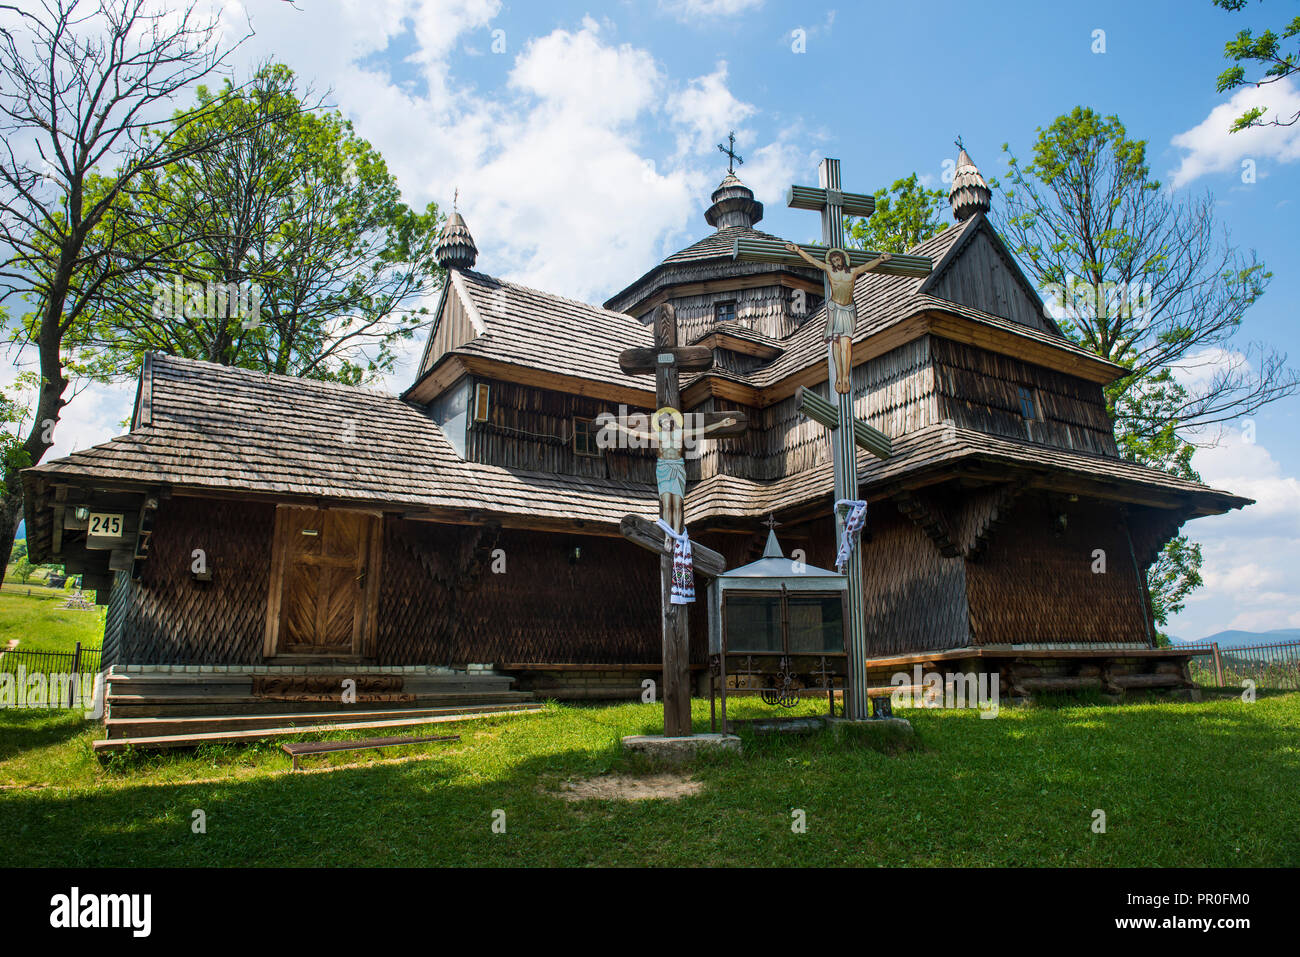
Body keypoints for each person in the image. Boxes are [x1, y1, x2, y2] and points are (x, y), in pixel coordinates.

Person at [785, 243, 891, 394]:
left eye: (838, 259)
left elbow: (867, 266)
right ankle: (839, 376)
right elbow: (813, 261)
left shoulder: (853, 272)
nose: (836, 262)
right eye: (833, 260)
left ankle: (845, 375)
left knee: (846, 341)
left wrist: (880, 259)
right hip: (835, 309)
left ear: (843, 259)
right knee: (836, 342)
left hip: (848, 310)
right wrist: (799, 251)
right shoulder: (830, 271)